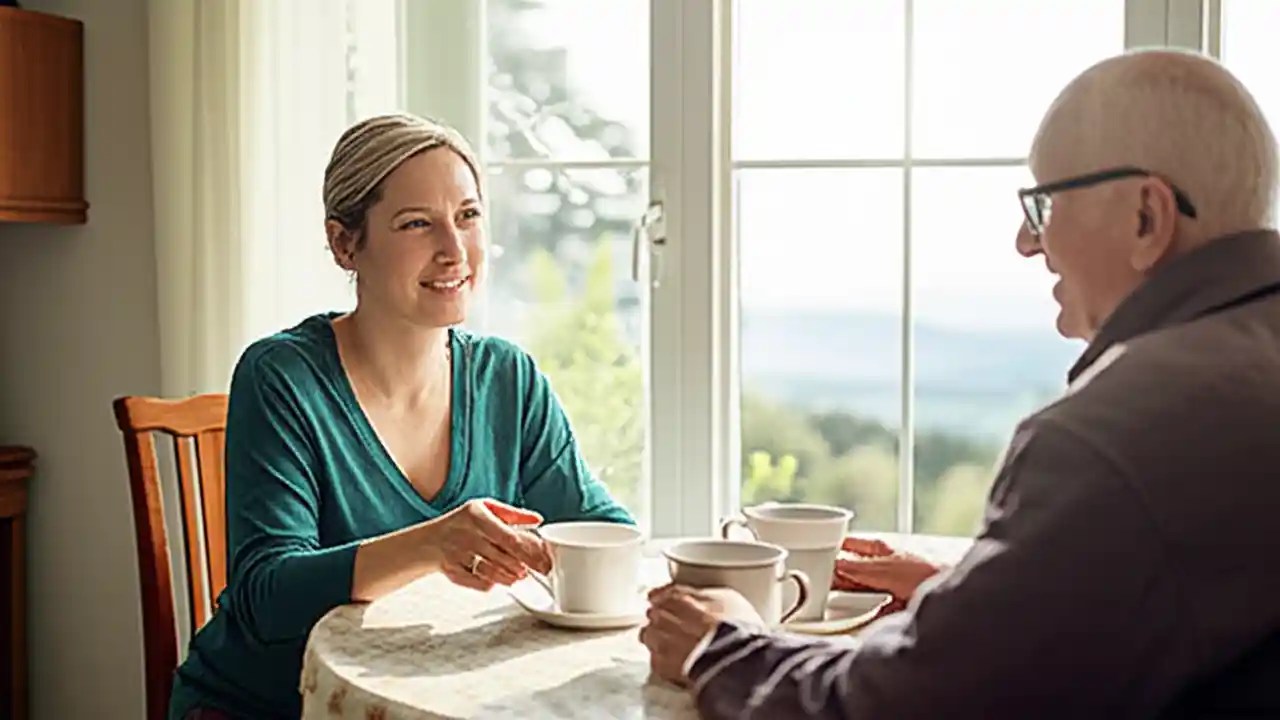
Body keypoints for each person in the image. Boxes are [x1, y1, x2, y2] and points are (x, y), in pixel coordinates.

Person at [643, 47, 1280, 719]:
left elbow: (901, 707)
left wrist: (720, 644)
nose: (1025, 242)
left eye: (1043, 205)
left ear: (1146, 217)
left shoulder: (1120, 434)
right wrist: (987, 595)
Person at [170, 113, 635, 720]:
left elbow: (600, 527)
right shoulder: (281, 376)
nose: (454, 249)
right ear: (345, 243)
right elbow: (267, 597)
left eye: (468, 216)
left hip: (439, 697)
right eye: (418, 224)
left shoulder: (507, 378)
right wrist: (435, 542)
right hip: (264, 705)